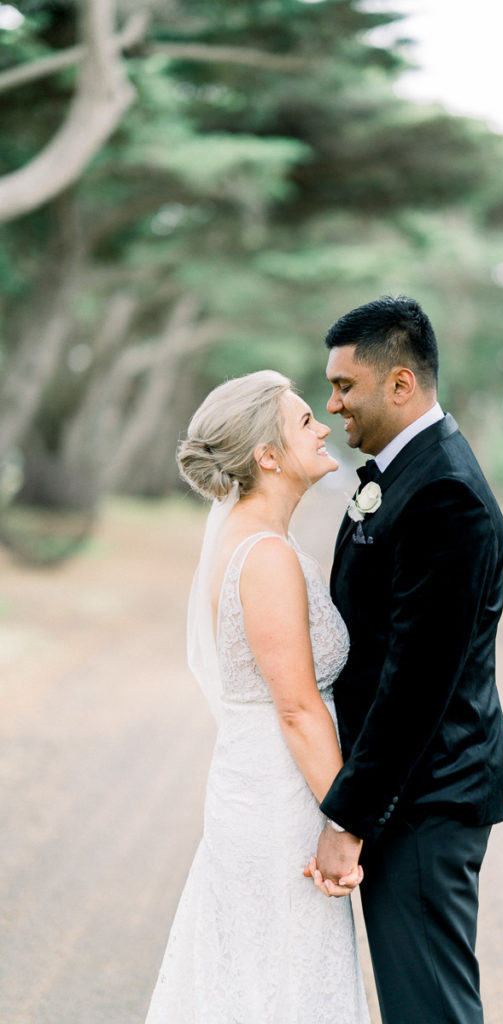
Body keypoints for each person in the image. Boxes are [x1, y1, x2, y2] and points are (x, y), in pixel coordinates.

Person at [313, 296, 503, 1024]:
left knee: (428, 1010)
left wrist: (348, 818)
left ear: (399, 384)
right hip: (409, 793)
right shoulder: (399, 474)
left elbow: (417, 682)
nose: (333, 404)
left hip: (428, 797)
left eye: (345, 386)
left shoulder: (444, 495)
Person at [145, 370, 370, 1024]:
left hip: (267, 789)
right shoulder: (265, 556)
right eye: (304, 421)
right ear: (267, 457)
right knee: (277, 987)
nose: (323, 425)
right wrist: (346, 821)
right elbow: (297, 709)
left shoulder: (258, 541)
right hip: (279, 806)